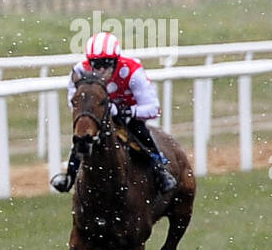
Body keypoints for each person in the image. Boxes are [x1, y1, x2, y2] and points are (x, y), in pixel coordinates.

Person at [50, 32, 178, 194]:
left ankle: (160, 170)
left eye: (107, 63)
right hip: (98, 116)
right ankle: (69, 176)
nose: (102, 69)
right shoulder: (80, 71)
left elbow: (153, 108)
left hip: (129, 116)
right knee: (81, 138)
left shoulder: (132, 71)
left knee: (141, 133)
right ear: (90, 62)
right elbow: (73, 102)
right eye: (97, 64)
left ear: (117, 60)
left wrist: (124, 111)